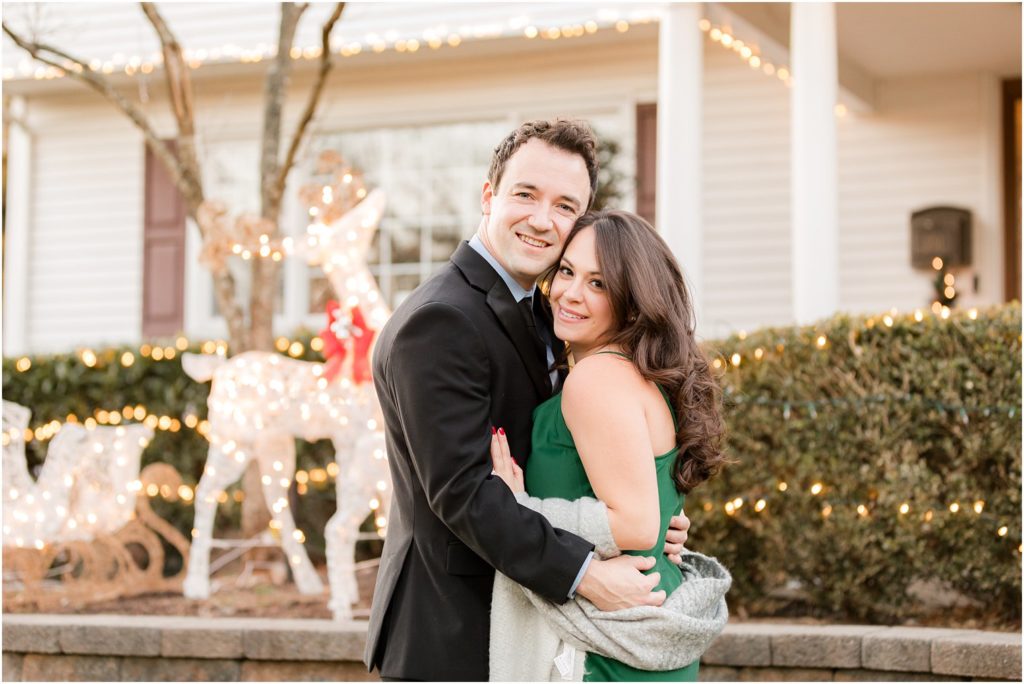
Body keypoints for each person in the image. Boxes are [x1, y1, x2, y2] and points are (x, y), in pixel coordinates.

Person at [365, 120, 691, 681]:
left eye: (566, 206)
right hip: (453, 633)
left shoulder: (548, 311)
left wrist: (650, 514)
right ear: (489, 195)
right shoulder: (441, 320)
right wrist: (586, 572)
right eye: (525, 194)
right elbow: (464, 494)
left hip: (526, 626)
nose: (543, 220)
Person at [488, 209, 728, 681]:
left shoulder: (596, 379)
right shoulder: (632, 373)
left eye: (598, 284)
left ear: (632, 302)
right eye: (567, 272)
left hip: (604, 650)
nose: (571, 294)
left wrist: (517, 507)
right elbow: (648, 508)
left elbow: (636, 525)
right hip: (633, 628)